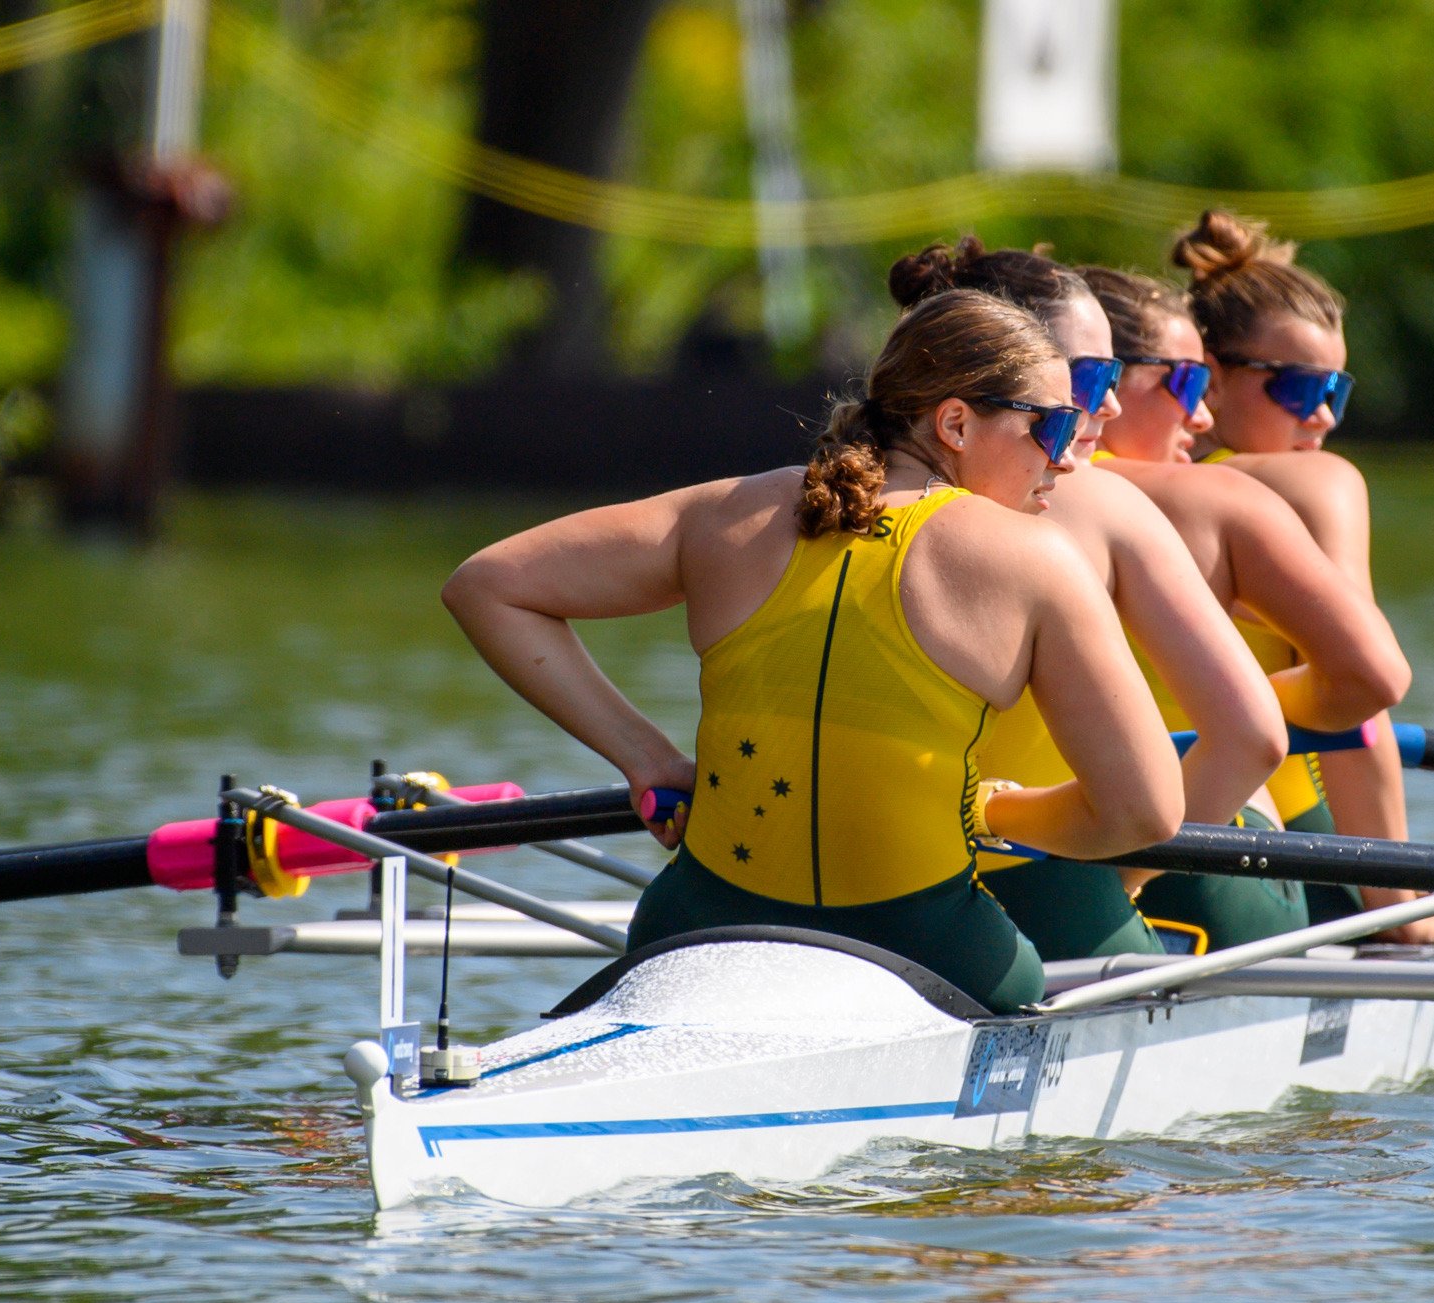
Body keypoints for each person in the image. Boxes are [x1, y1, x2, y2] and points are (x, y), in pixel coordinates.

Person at [439, 289, 1184, 1011]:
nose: (1068, 462)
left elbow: (487, 586)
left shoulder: (726, 512)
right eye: (1052, 430)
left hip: (696, 930)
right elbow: (1146, 814)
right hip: (929, 947)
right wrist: (995, 816)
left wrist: (647, 759)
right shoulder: (1037, 558)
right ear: (955, 423)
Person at [892, 240, 1408, 956]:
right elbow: (1364, 692)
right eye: (1189, 385)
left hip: (928, 865)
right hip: (1163, 853)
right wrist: (1402, 907)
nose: (1201, 416)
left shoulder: (840, 494)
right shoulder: (1250, 492)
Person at [1084, 258, 1434, 954]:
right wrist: (1399, 907)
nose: (1323, 416)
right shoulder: (1304, 486)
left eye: (1337, 390)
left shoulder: (1017, 484)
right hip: (1229, 852)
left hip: (1070, 840)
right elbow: (1366, 700)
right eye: (1300, 389)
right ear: (1211, 366)